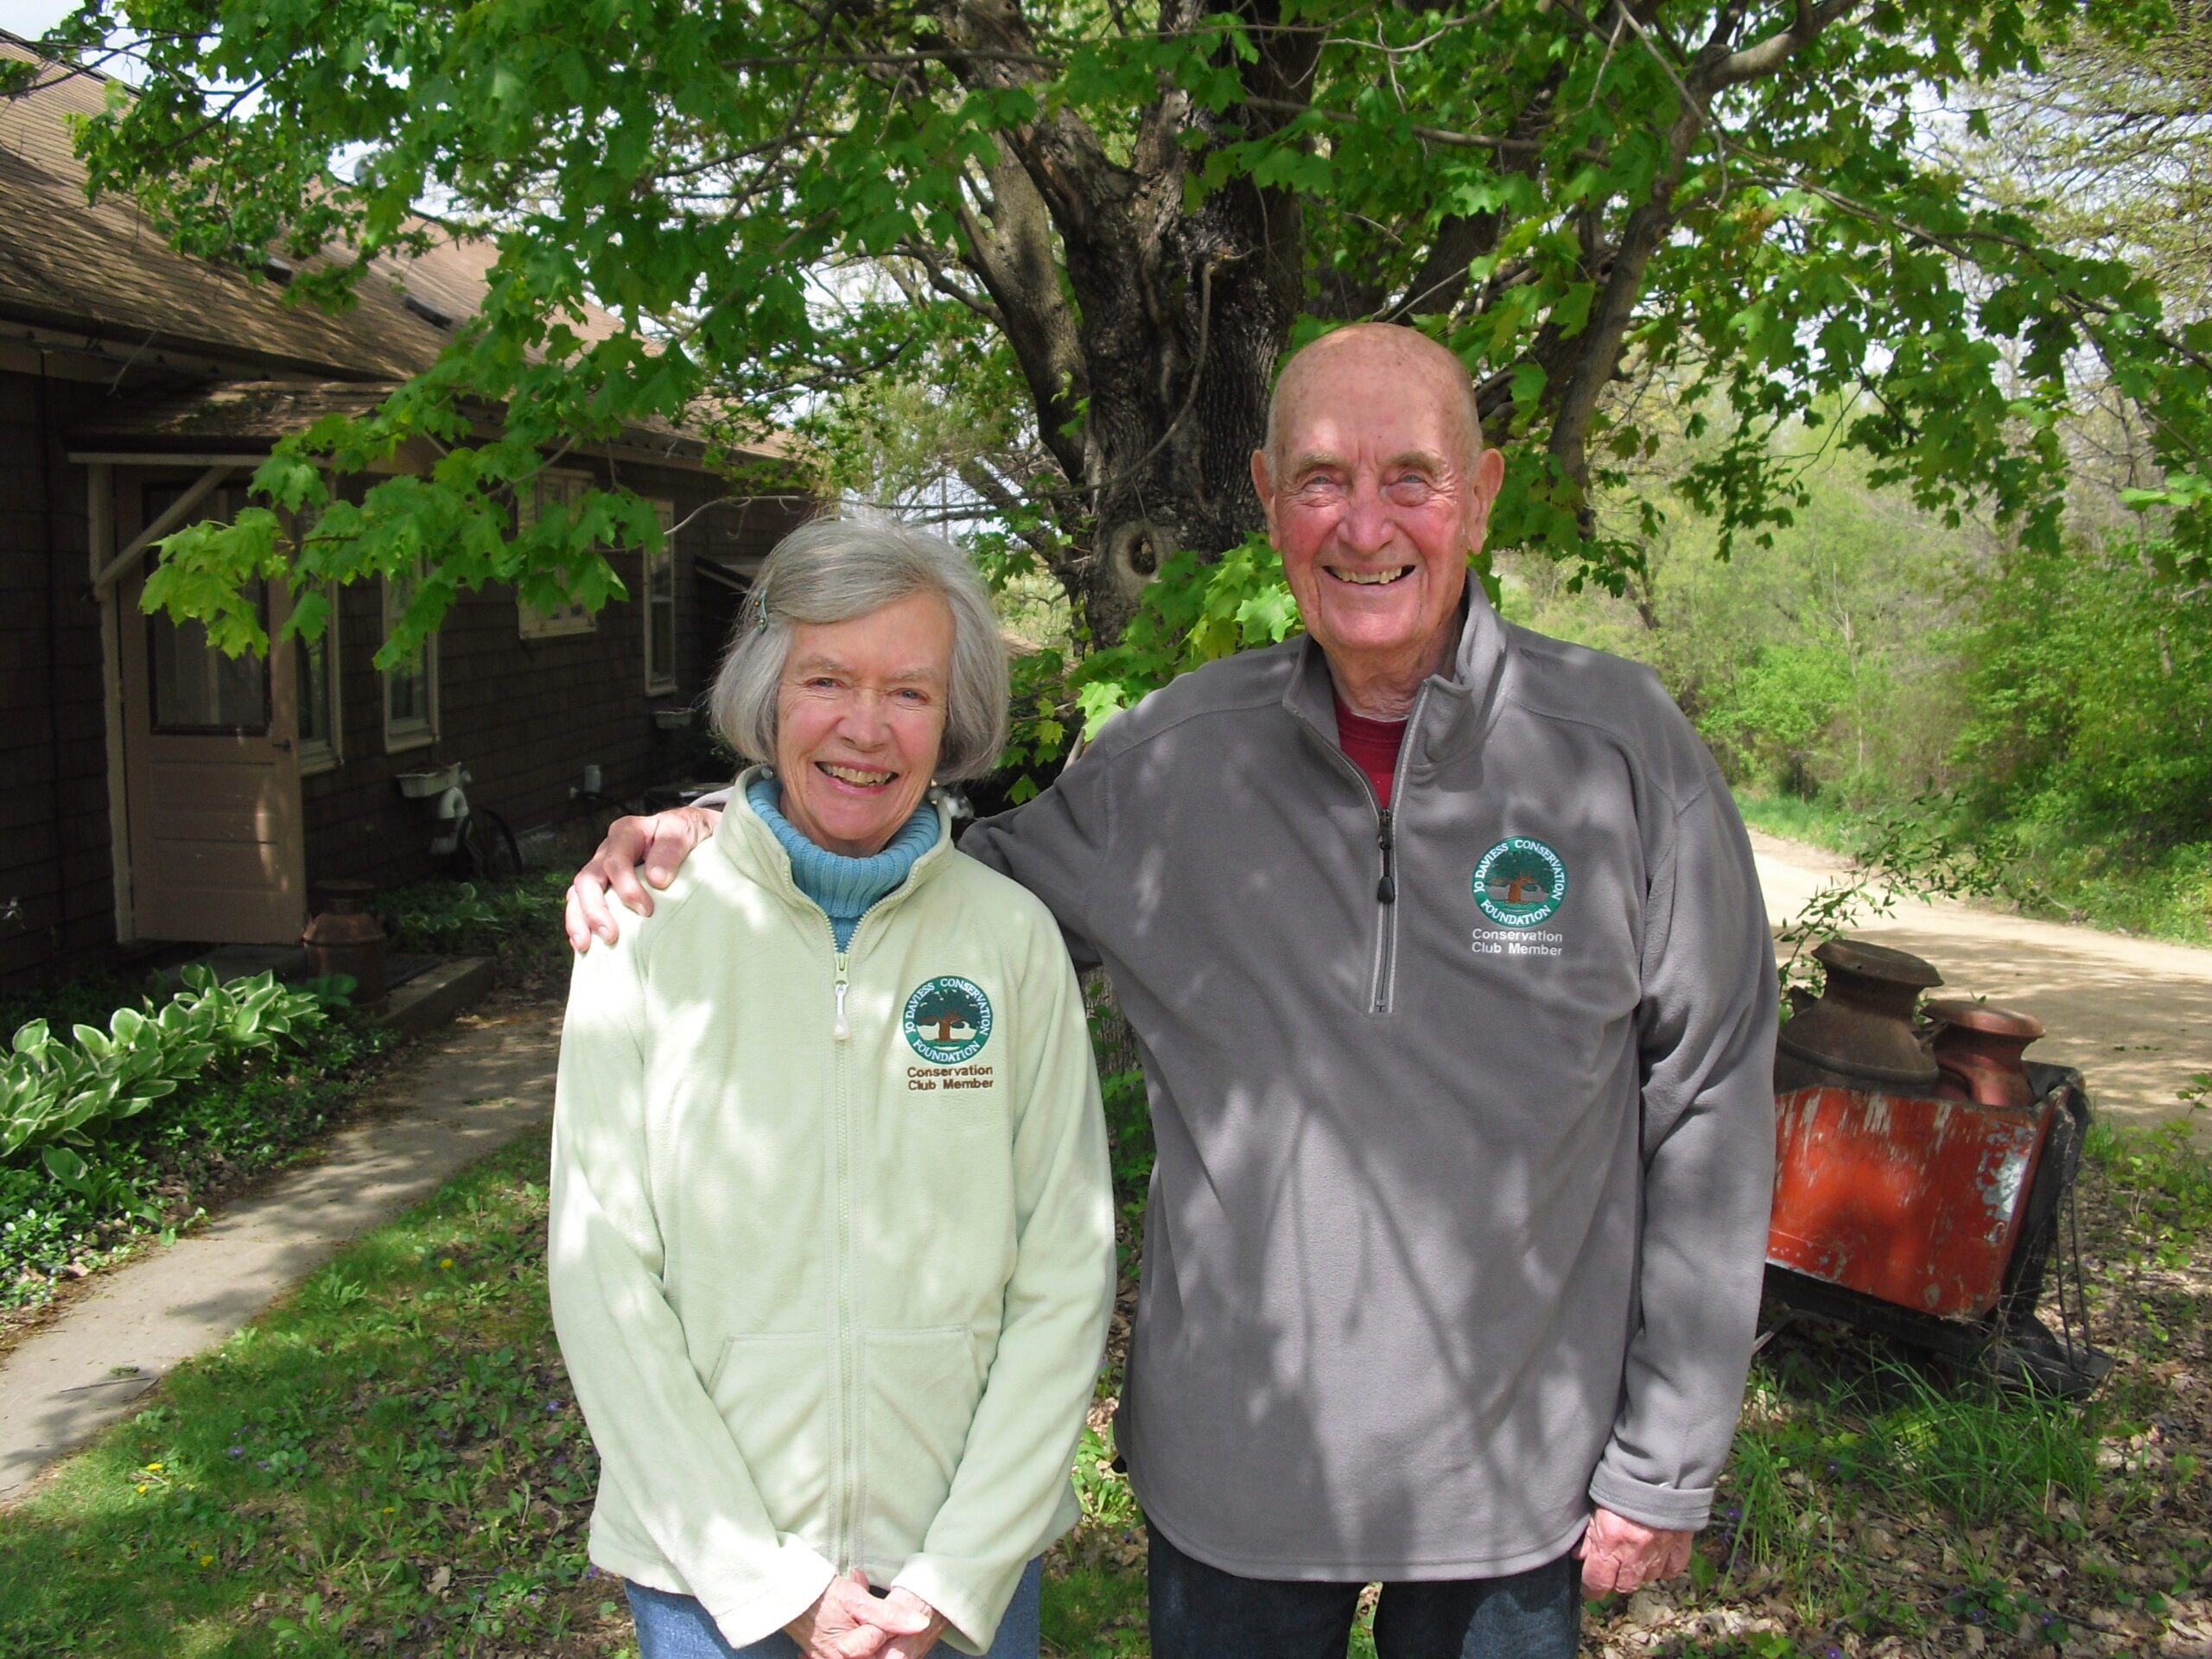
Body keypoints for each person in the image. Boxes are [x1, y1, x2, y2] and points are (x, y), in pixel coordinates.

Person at [567, 324, 1778, 1659]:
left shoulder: (1619, 754)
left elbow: (1711, 1095)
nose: (1363, 524)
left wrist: (1665, 1451)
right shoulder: (1177, 759)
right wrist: (713, 836)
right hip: (1237, 1481)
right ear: (1265, 499)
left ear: (1482, 491)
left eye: (1410, 477)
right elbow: (937, 888)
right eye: (1320, 478)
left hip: (1517, 1486)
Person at [548, 519, 1116, 1659]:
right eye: (828, 681)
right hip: (711, 1585)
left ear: (950, 717)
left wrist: (959, 1574)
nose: (866, 728)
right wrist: (762, 1582)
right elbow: (602, 1275)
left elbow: (1066, 1268)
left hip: (954, 1585)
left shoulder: (1011, 941)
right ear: (768, 693)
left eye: (909, 691)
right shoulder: (644, 931)